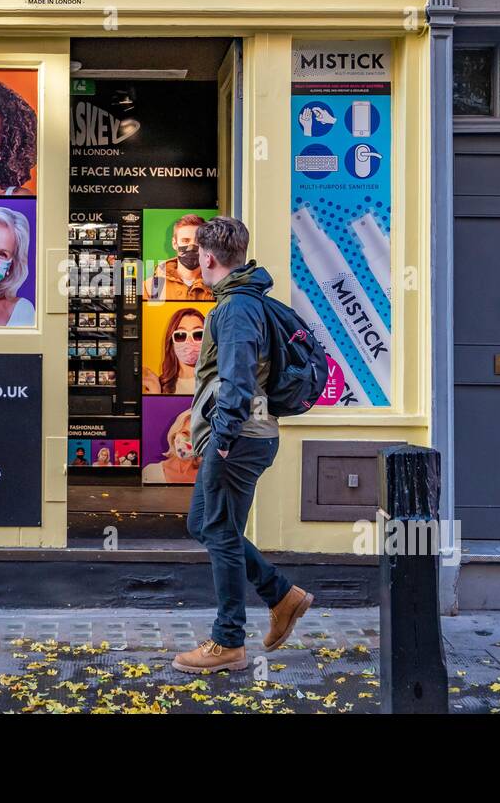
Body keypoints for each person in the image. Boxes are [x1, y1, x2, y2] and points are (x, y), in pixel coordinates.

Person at [171, 216, 313, 675]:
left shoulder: (235, 309)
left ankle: (229, 640)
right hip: (251, 436)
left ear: (208, 259)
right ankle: (280, 595)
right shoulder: (248, 299)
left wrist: (224, 439)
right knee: (209, 524)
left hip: (239, 439)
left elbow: (237, 379)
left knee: (216, 529)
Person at [146, 214, 213, 301]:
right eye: (185, 241)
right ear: (174, 244)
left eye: (198, 241)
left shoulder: (218, 287)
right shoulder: (150, 287)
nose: (191, 246)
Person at [142, 306, 204, 395]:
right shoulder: (160, 385)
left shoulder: (219, 383)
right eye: (181, 335)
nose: (189, 341)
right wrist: (155, 391)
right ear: (171, 342)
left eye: (198, 334)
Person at [140, 410, 200, 484]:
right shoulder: (151, 472)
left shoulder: (210, 475)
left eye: (196, 436)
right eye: (185, 433)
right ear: (174, 435)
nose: (189, 441)